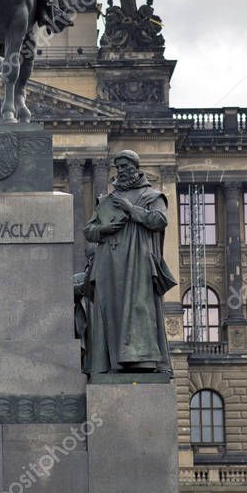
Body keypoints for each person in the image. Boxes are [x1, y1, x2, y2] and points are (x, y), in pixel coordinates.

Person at [82, 150, 176, 375]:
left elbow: (160, 220)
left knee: (137, 309)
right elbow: (88, 230)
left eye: (125, 166)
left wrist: (131, 210)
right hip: (108, 264)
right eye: (118, 166)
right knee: (108, 309)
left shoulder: (152, 196)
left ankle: (140, 361)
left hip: (136, 263)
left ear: (136, 166)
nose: (121, 170)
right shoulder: (106, 200)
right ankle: (108, 363)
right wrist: (103, 229)